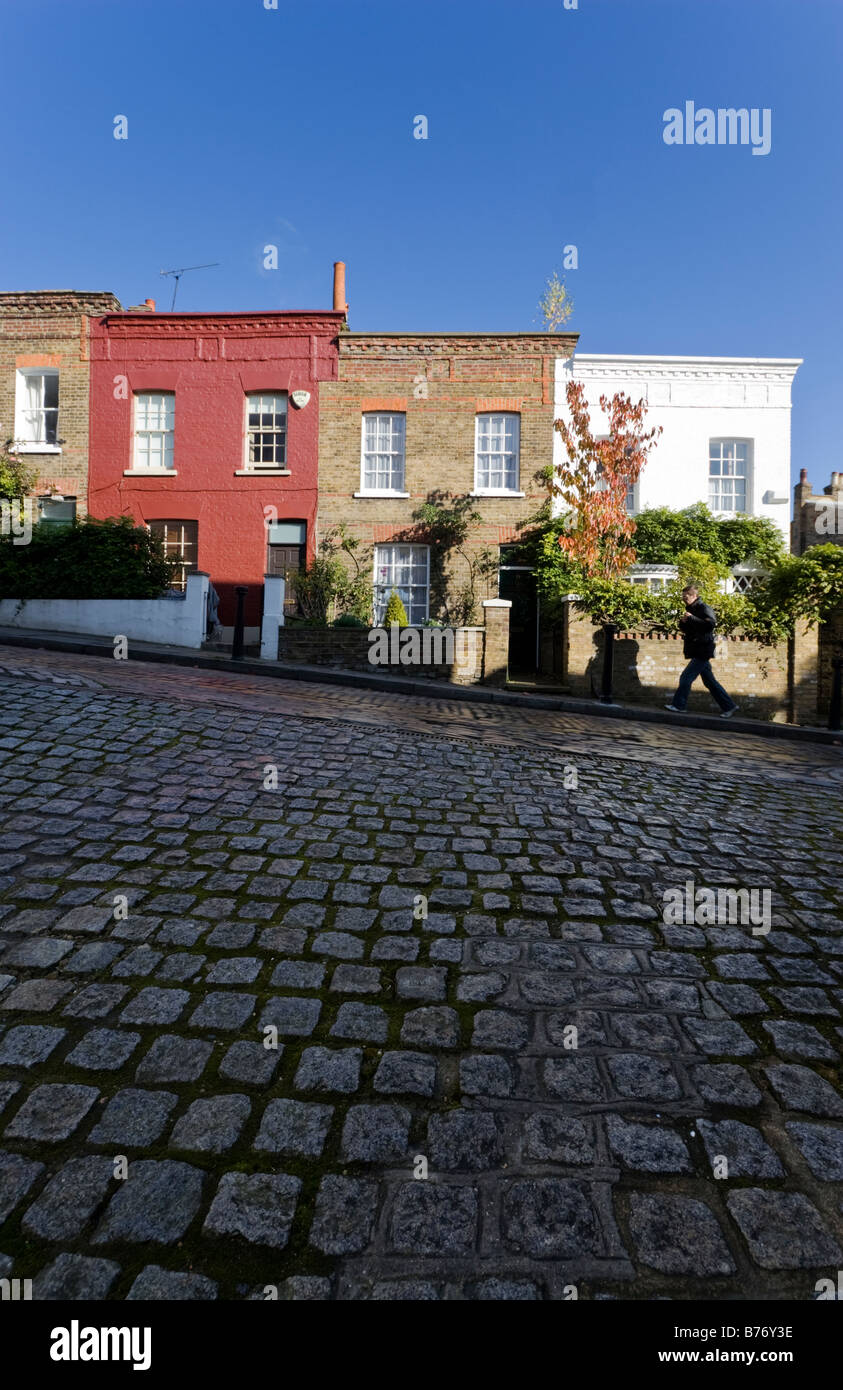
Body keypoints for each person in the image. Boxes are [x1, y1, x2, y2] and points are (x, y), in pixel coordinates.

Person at [665, 584, 739, 718]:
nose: (683, 599)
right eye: (683, 596)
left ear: (694, 596)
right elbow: (689, 629)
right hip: (697, 648)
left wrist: (691, 618)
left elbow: (710, 625)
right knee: (710, 681)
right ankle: (729, 706)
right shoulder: (692, 609)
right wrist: (683, 622)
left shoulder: (704, 608)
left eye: (686, 596)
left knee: (686, 678)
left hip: (703, 649)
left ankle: (679, 706)